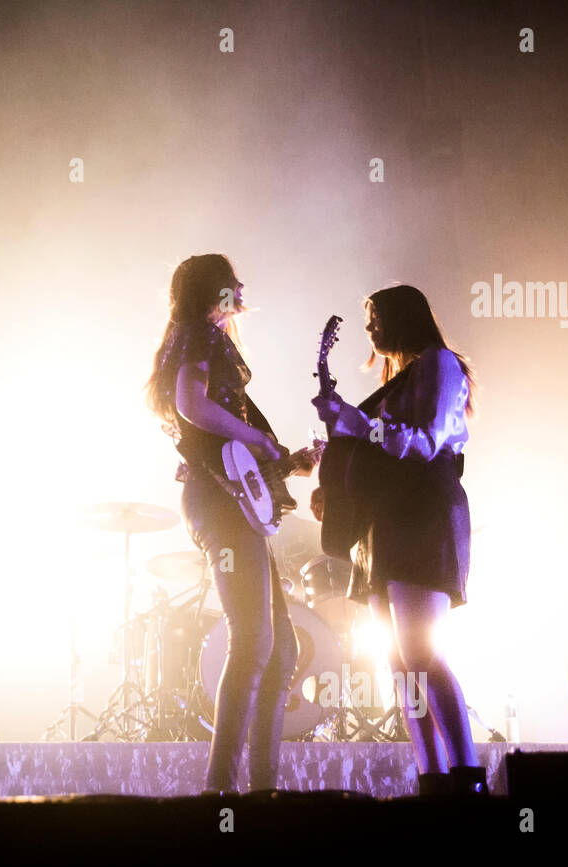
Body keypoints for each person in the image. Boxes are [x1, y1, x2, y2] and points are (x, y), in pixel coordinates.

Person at [146, 254, 320, 793]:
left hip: (226, 499)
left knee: (281, 651)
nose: (242, 288)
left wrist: (286, 460)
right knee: (252, 642)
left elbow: (215, 439)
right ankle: (218, 791)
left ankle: (263, 790)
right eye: (232, 282)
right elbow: (192, 405)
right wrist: (260, 440)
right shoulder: (200, 335)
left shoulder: (196, 338)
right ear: (215, 293)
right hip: (220, 505)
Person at [310, 284, 485, 794]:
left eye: (376, 318)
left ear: (403, 317)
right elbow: (380, 453)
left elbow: (428, 444)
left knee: (420, 653)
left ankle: (467, 773)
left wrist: (358, 425)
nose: (369, 329)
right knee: (398, 661)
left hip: (423, 510)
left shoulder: (439, 363)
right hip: (384, 520)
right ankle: (432, 777)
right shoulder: (402, 374)